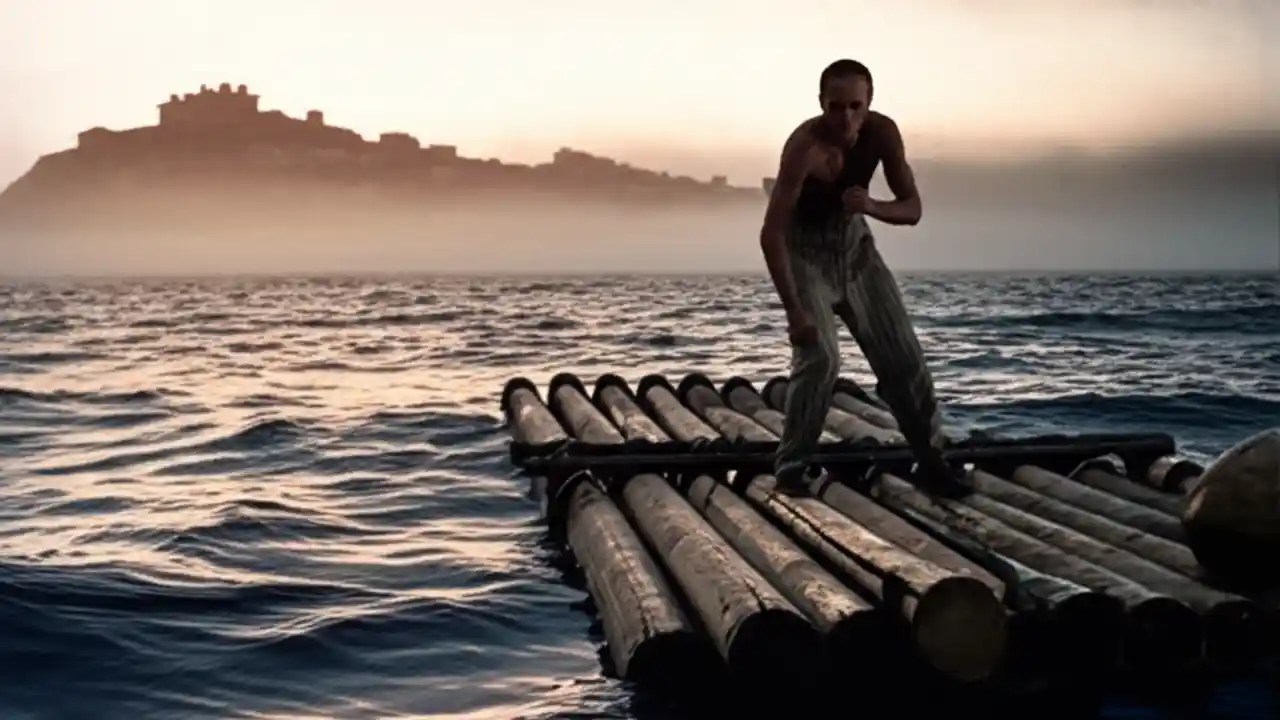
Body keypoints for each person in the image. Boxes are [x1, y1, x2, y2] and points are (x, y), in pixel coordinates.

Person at [758, 58, 968, 497]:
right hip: (805, 252)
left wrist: (872, 206)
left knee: (904, 360)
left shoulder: (883, 134)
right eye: (836, 107)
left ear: (869, 104)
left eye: (856, 106)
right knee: (820, 359)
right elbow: (772, 233)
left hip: (856, 251)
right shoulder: (803, 148)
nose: (846, 118)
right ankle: (792, 469)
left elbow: (912, 208)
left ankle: (932, 463)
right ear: (821, 104)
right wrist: (796, 313)